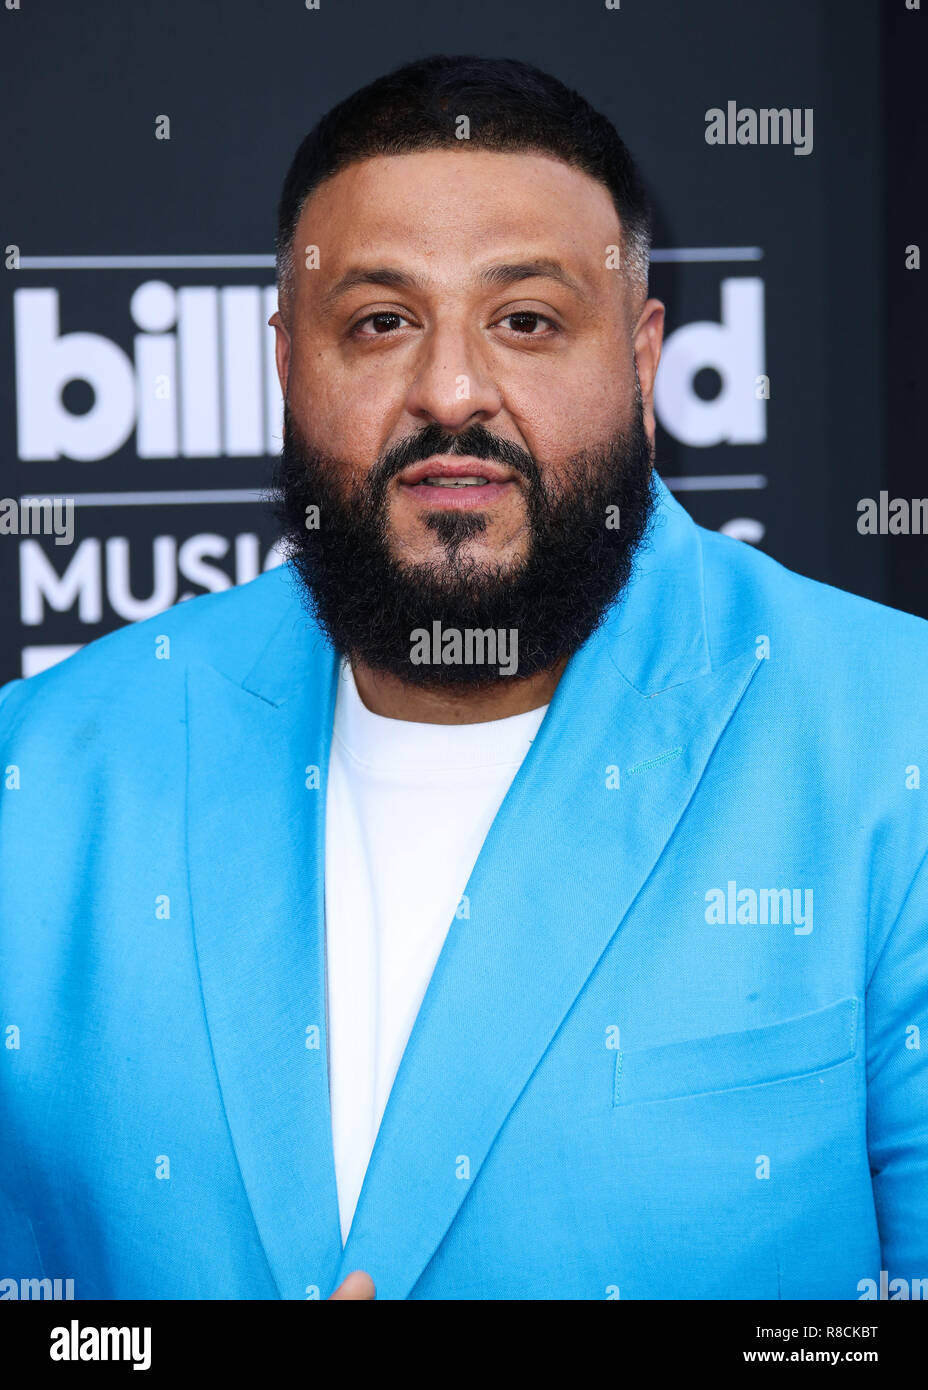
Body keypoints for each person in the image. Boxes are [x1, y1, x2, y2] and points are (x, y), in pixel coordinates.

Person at [1, 55, 925, 1302]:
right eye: (380, 321)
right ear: (284, 364)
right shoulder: (42, 768)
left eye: (527, 320)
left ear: (644, 358)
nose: (449, 392)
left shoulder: (892, 737)